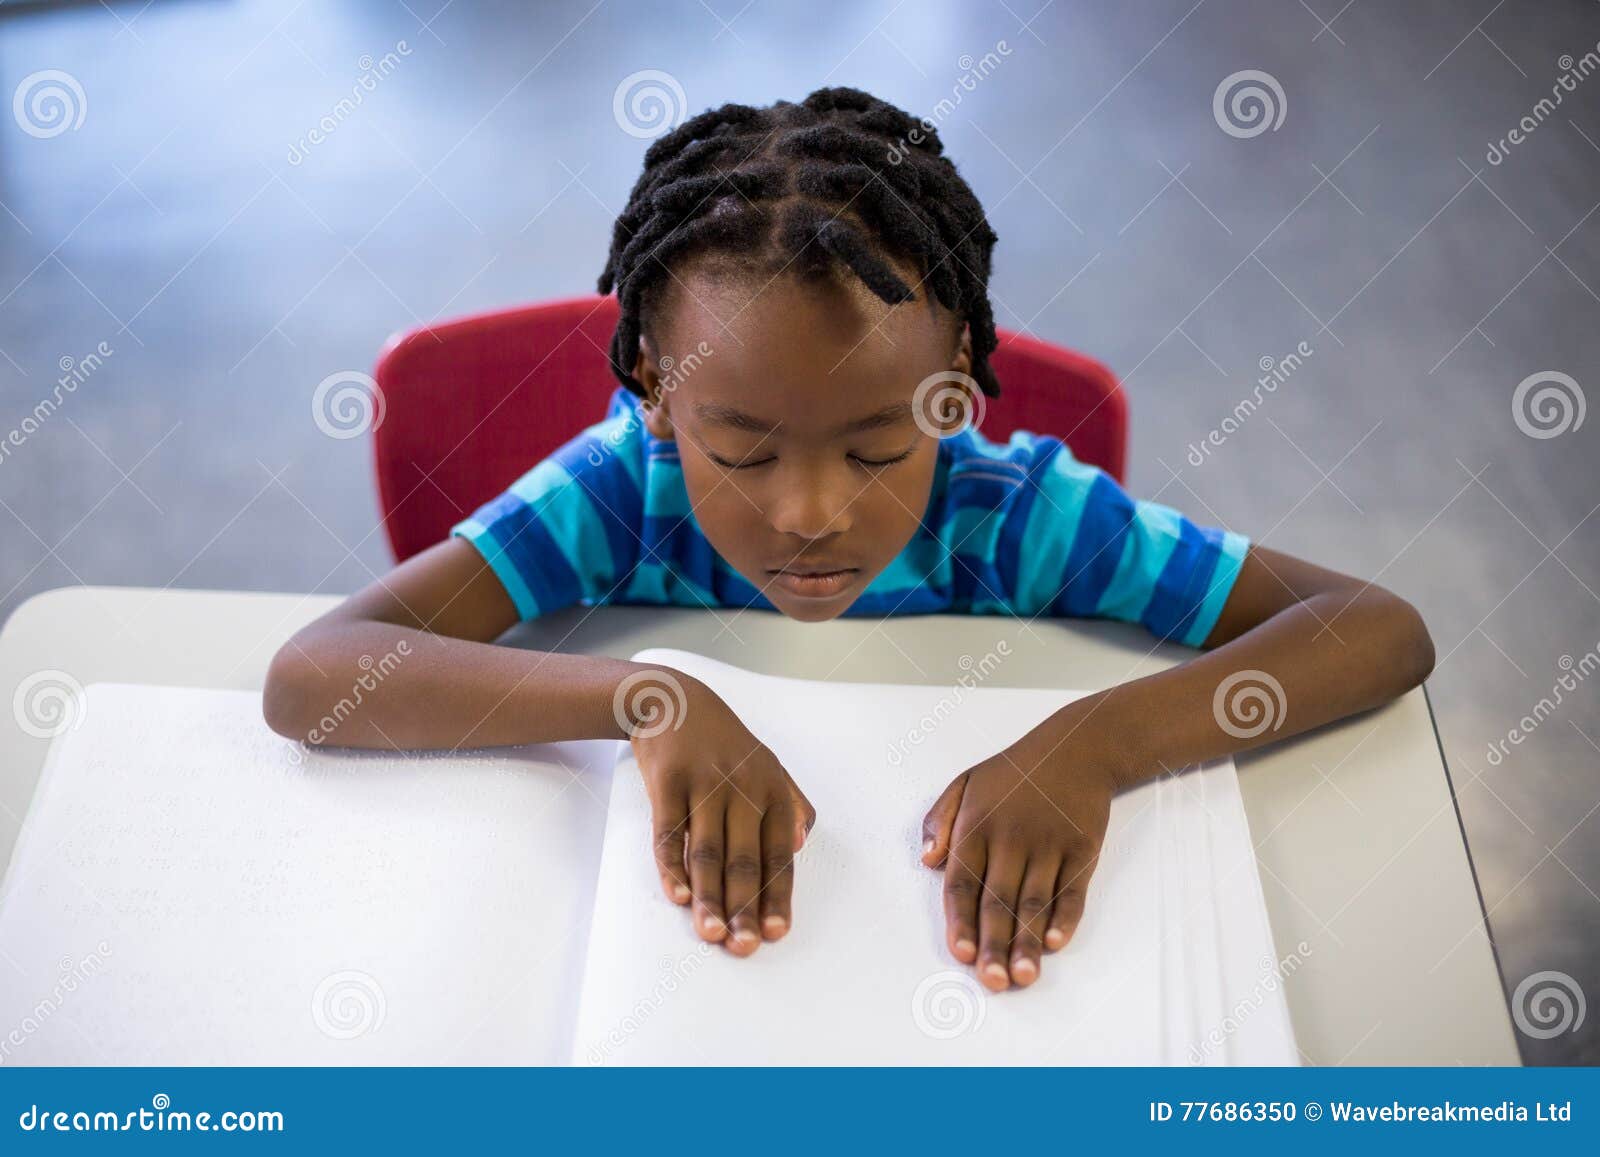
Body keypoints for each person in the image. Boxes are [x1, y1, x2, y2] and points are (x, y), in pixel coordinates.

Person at [264, 87, 1434, 993]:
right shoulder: (624, 490)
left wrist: (1096, 742)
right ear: (652, 389)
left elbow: (1375, 629)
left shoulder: (1018, 516)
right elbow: (313, 675)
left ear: (957, 390)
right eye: (742, 448)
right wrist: (641, 696)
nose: (810, 511)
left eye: (877, 446)